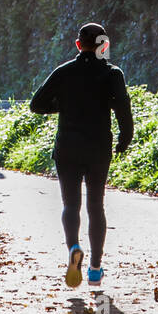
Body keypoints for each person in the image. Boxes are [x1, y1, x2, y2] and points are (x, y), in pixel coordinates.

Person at [29, 22, 134, 289]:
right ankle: (95, 269)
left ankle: (74, 248)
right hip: (98, 148)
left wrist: (62, 105)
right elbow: (123, 109)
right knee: (96, 206)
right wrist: (125, 138)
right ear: (104, 45)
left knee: (70, 204)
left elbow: (36, 104)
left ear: (78, 45)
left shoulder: (64, 72)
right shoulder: (112, 74)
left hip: (68, 148)